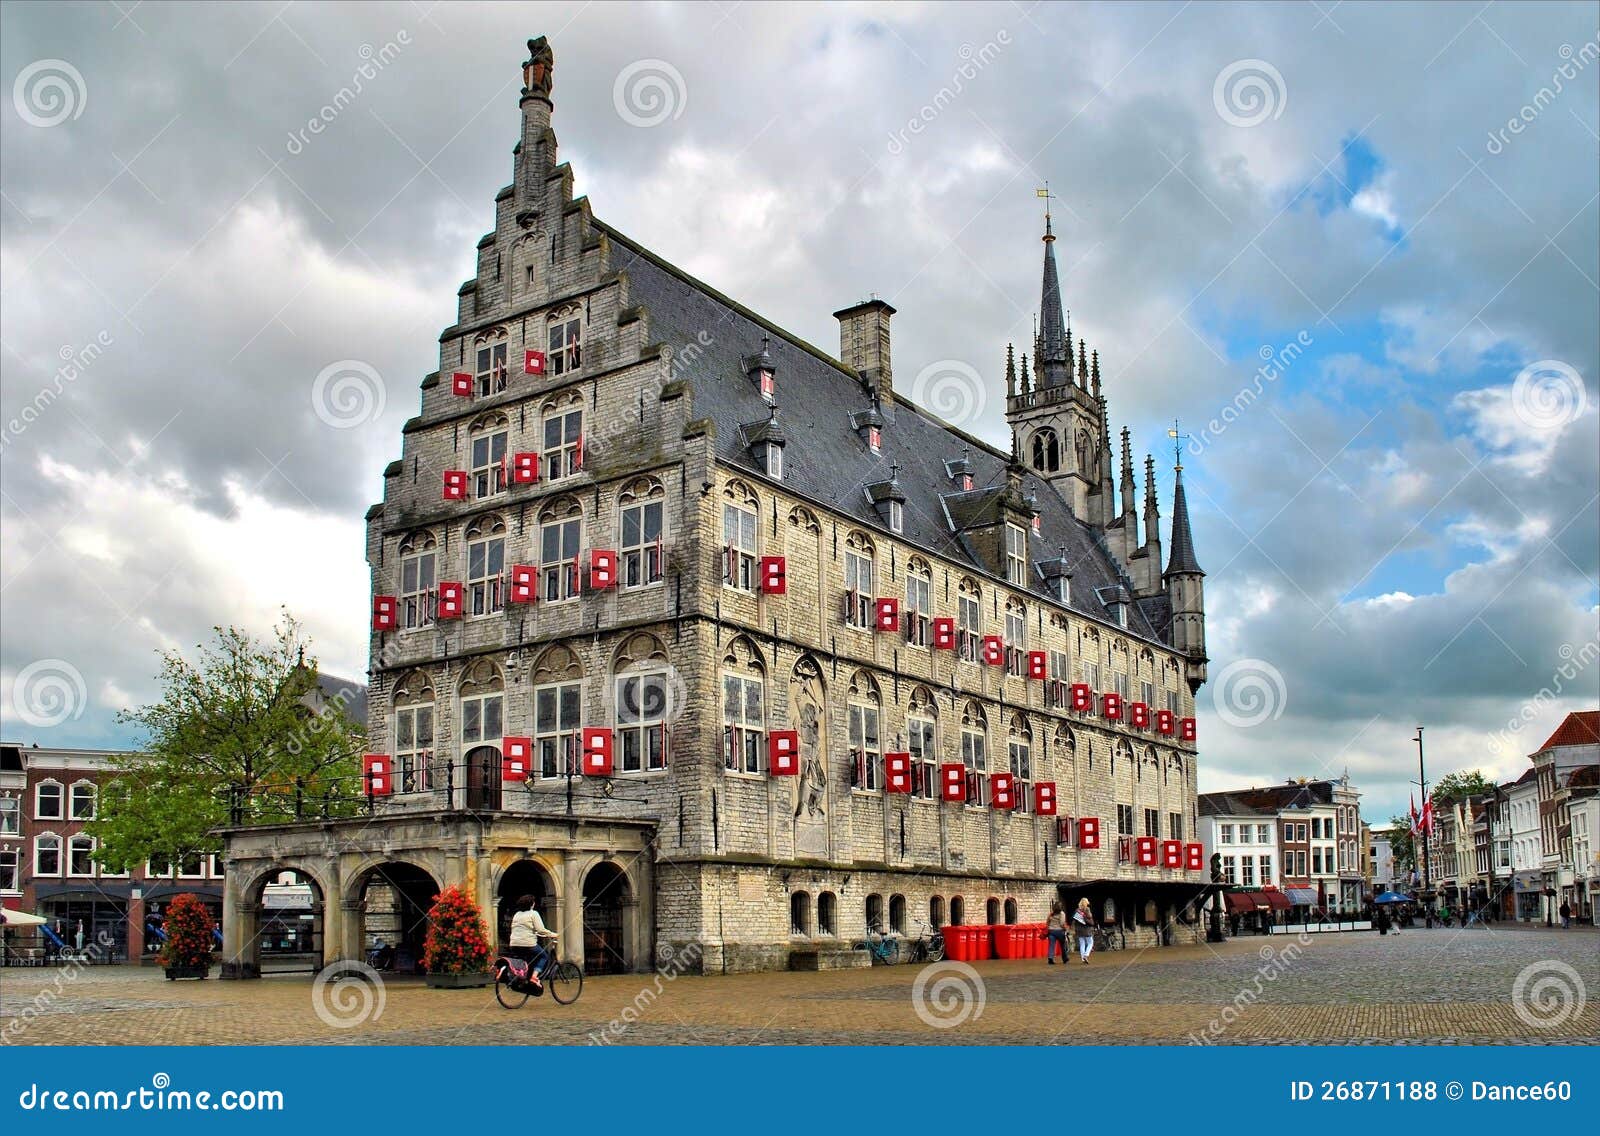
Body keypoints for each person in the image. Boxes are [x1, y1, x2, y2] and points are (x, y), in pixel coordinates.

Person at [507, 895, 557, 984]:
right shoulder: (533, 913)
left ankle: (524, 977)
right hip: (528, 944)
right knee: (543, 956)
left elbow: (520, 928)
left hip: (514, 944)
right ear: (531, 904)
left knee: (526, 961)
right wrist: (552, 934)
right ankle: (534, 976)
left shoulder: (517, 914)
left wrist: (534, 933)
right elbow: (540, 929)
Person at [1071, 898, 1095, 965]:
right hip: (1086, 929)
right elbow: (1089, 916)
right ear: (1086, 902)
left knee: (1082, 944)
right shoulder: (1087, 909)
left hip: (1079, 929)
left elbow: (1075, 919)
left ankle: (1083, 959)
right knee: (1090, 942)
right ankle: (1086, 955)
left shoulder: (1077, 910)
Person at [1044, 901, 1068, 966]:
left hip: (1051, 931)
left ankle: (1050, 959)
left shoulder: (1051, 914)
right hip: (1059, 931)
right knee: (1062, 945)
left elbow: (1047, 922)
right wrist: (1066, 929)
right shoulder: (1062, 914)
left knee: (1051, 945)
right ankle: (1064, 958)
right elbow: (1062, 923)